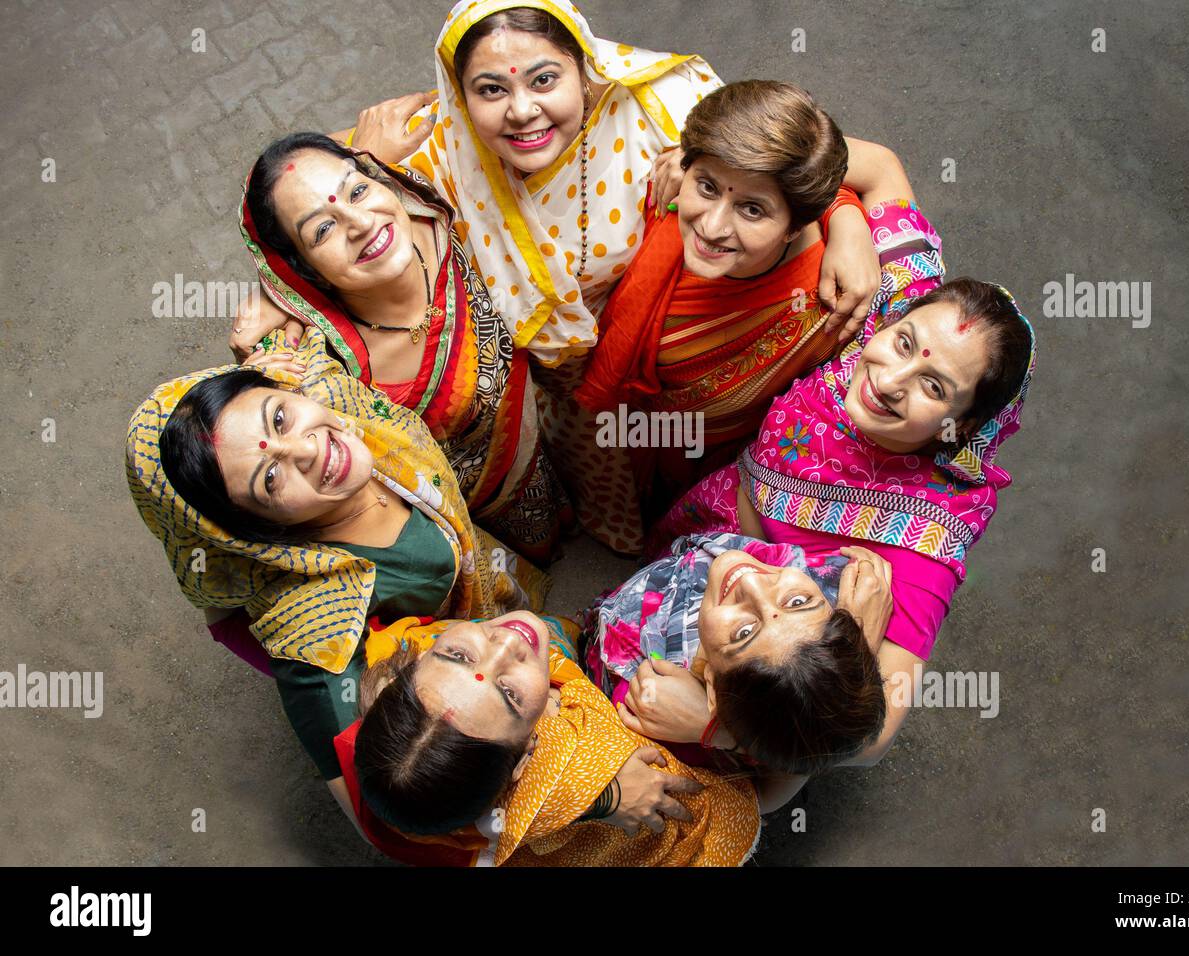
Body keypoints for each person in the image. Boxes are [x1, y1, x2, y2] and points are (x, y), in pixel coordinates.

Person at [344, 0, 886, 553]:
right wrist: (361, 165)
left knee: (669, 451)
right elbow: (291, 200)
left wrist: (843, 218)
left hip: (656, 345)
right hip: (555, 384)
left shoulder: (659, 109)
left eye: (545, 79)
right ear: (461, 96)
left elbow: (806, 164)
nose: (522, 110)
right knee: (601, 472)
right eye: (491, 90)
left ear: (587, 71)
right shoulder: (435, 149)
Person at [125, 324, 547, 822]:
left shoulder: (320, 383)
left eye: (279, 417)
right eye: (272, 478)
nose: (307, 451)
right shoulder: (315, 630)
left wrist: (260, 341)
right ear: (253, 529)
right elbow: (388, 803)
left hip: (478, 562)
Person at [637, 278, 1036, 789]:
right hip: (703, 527)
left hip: (751, 621)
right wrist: (848, 219)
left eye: (934, 387)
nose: (891, 380)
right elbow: (880, 194)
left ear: (962, 424)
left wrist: (715, 728)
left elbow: (871, 741)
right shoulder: (881, 317)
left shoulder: (925, 538)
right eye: (904, 342)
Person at [576, 79, 923, 514]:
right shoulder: (665, 184)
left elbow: (878, 167)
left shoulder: (838, 298)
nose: (712, 226)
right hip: (647, 431)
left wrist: (846, 214)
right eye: (706, 187)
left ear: (797, 225)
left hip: (731, 451)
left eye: (752, 210)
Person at [233, 132, 572, 564]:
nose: (359, 223)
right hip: (474, 493)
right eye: (322, 229)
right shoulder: (320, 368)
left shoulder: (433, 198)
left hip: (538, 425)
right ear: (301, 270)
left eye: (357, 190)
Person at [336, 612, 761, 865]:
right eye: (509, 694)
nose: (505, 643)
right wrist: (603, 797)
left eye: (458, 656)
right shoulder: (585, 763)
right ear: (524, 759)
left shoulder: (412, 751)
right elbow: (702, 803)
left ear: (409, 669)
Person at [585, 533, 893, 776]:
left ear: (714, 692)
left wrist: (714, 733)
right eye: (799, 601)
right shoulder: (846, 589)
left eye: (743, 634)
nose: (751, 581)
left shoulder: (646, 696)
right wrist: (858, 633)